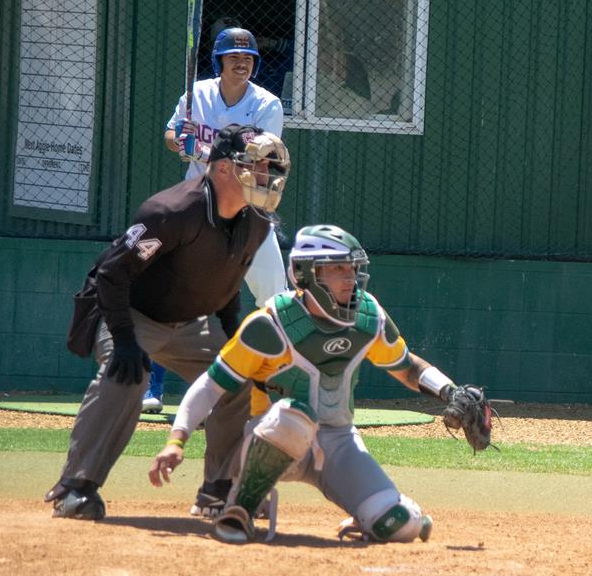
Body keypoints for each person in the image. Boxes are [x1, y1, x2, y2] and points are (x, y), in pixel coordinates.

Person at [147, 225, 482, 545]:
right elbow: (211, 386)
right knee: (294, 414)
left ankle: (379, 511)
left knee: (397, 525)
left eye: (352, 269)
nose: (349, 278)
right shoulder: (269, 324)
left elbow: (407, 367)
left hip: (337, 441)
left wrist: (450, 391)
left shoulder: (368, 317)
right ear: (306, 274)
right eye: (337, 269)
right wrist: (177, 440)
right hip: (271, 438)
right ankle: (241, 508)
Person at [45, 125, 290, 520]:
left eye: (268, 167)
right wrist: (124, 340)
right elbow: (111, 273)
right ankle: (76, 486)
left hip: (190, 321)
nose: (267, 176)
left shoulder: (257, 221)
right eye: (257, 166)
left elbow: (227, 288)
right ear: (224, 169)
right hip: (128, 311)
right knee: (130, 373)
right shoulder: (172, 212)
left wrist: (234, 345)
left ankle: (219, 490)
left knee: (240, 378)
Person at [148, 26, 290, 415]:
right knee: (172, 292)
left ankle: (280, 379)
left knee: (275, 296)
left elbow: (257, 158)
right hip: (199, 209)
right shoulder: (197, 96)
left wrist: (202, 146)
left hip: (248, 209)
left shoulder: (267, 104)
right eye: (234, 57)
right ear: (219, 62)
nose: (242, 63)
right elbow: (169, 134)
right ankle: (153, 388)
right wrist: (179, 139)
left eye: (248, 58)